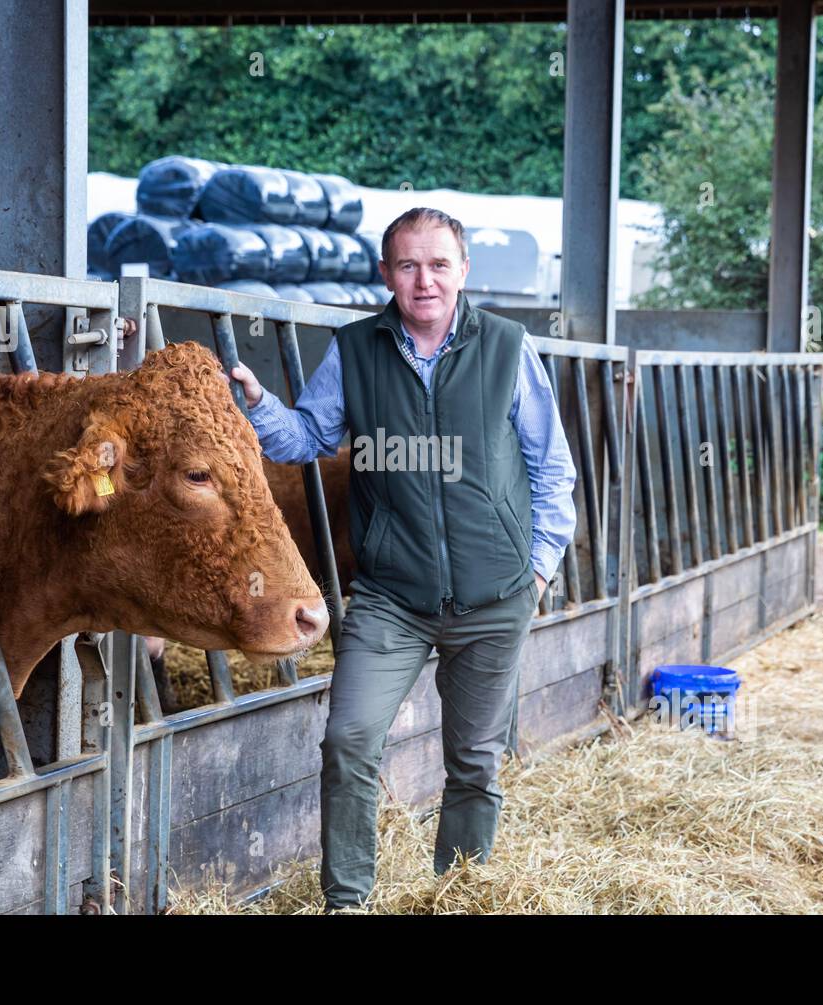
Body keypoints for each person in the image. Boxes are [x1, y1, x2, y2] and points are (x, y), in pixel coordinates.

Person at [228, 207, 577, 912]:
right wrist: (259, 403)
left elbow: (552, 470)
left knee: (475, 762)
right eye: (408, 265)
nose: (424, 280)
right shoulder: (356, 350)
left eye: (439, 264)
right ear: (386, 274)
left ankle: (459, 893)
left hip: (493, 597)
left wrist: (535, 573)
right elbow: (305, 437)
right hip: (391, 598)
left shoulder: (509, 348)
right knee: (350, 738)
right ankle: (347, 899)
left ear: (463, 270)